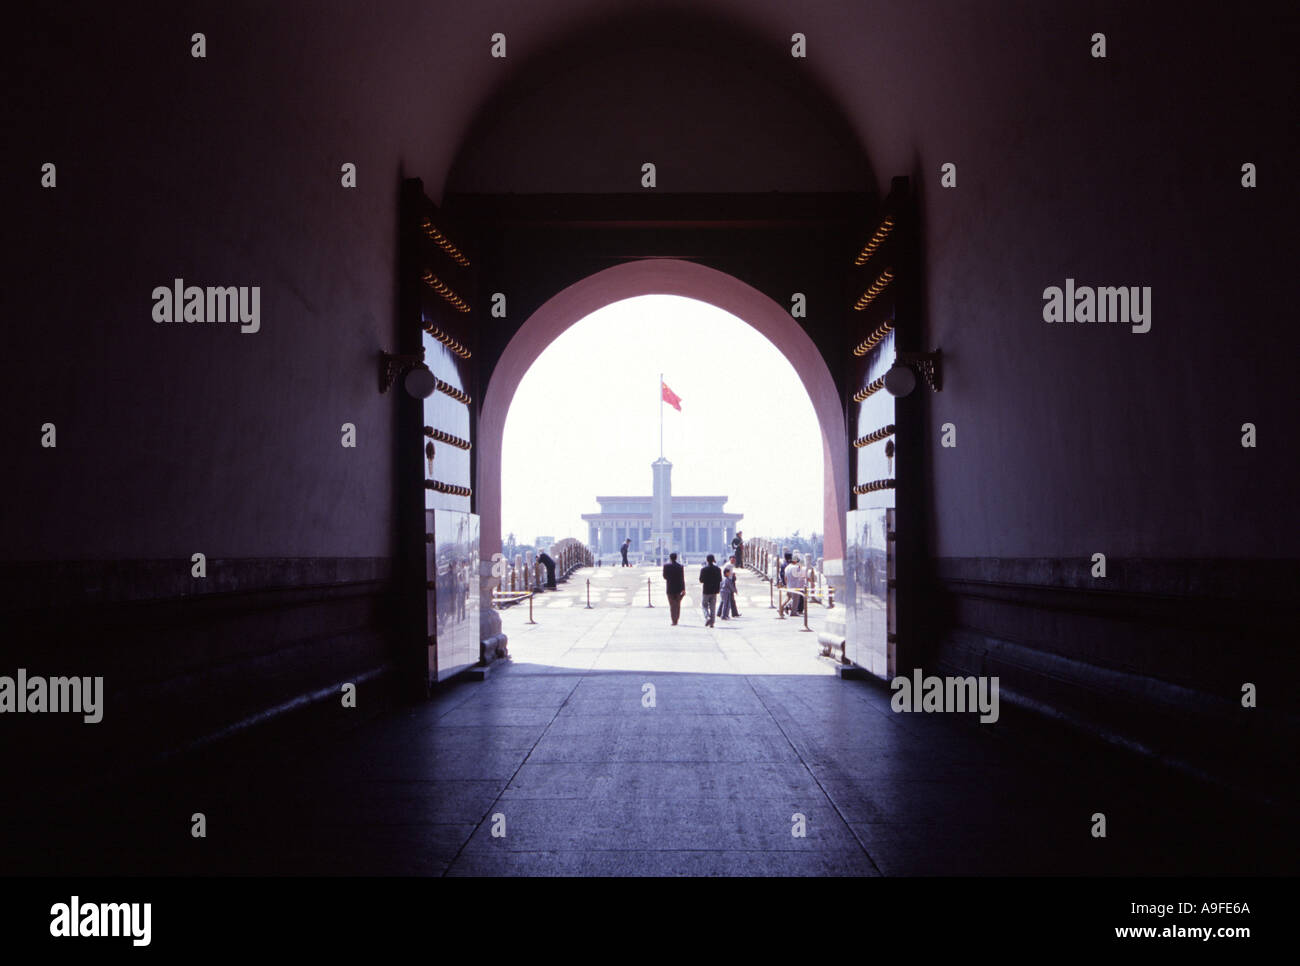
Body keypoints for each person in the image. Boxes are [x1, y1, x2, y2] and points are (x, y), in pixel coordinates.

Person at [662, 552, 686, 625]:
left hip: (670, 588)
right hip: (678, 588)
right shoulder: (680, 566)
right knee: (678, 604)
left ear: (670, 558)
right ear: (676, 558)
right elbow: (682, 578)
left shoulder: (666, 566)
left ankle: (673, 620)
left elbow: (664, 577)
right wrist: (683, 589)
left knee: (672, 605)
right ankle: (676, 619)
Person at [699, 554, 722, 627]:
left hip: (706, 590)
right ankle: (712, 623)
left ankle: (707, 617)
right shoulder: (718, 569)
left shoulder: (704, 569)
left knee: (704, 605)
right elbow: (720, 579)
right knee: (713, 607)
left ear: (707, 560)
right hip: (714, 590)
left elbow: (701, 580)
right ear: (713, 560)